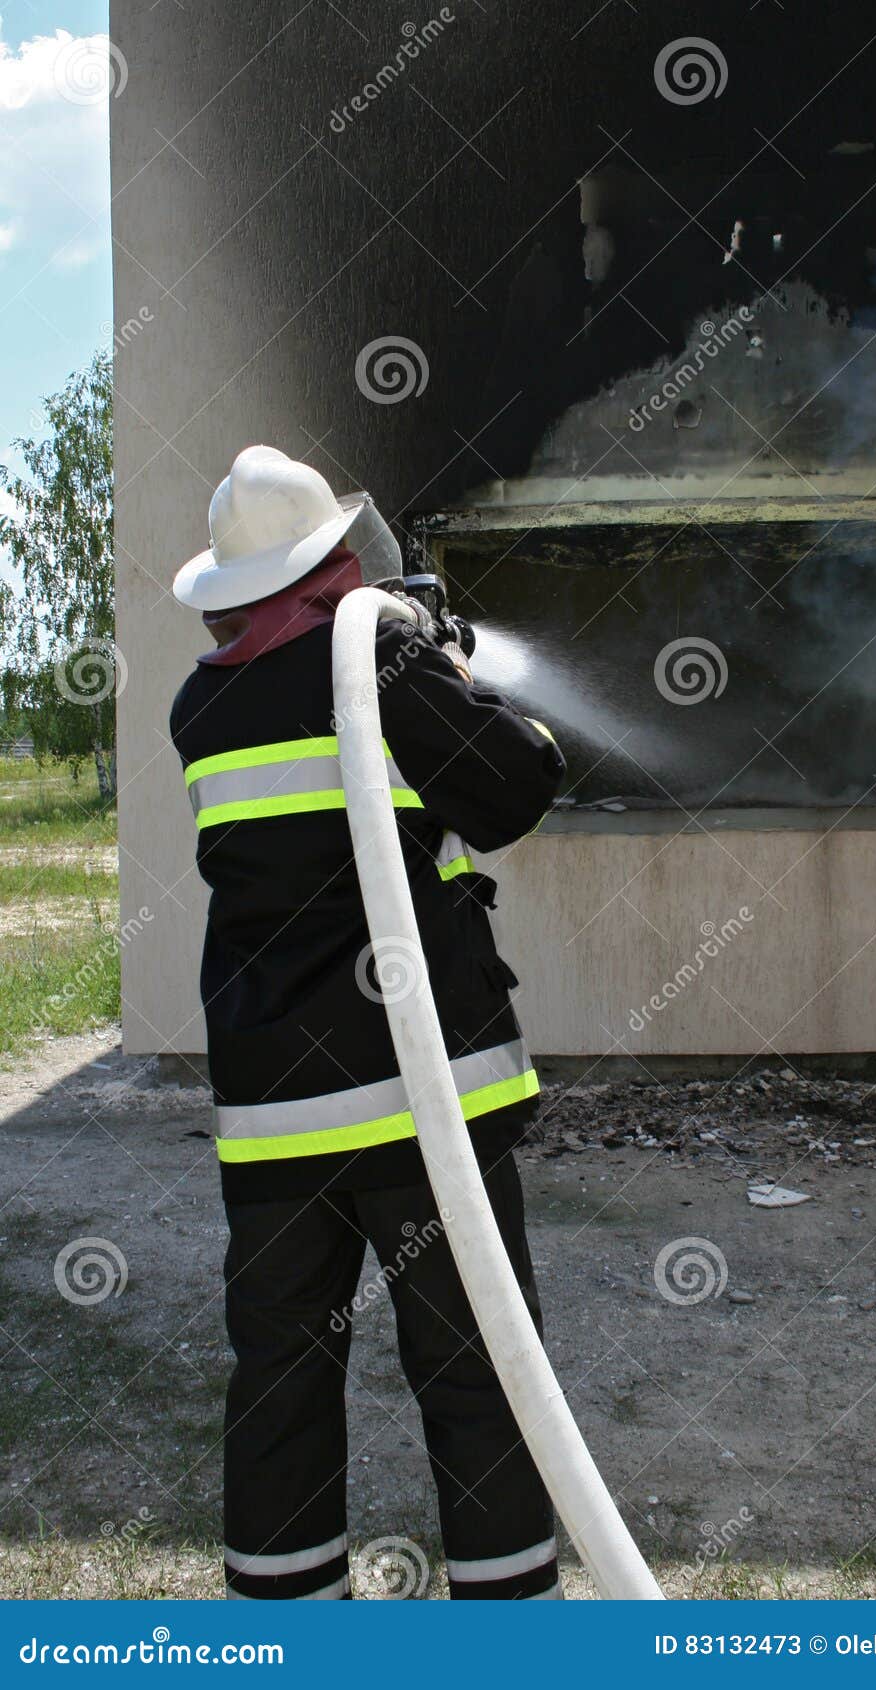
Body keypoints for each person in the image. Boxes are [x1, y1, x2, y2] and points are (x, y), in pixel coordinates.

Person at [170, 445, 566, 1600]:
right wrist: (442, 662)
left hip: (277, 1114)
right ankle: (512, 1634)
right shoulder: (381, 659)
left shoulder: (201, 703)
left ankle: (288, 1629)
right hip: (416, 1100)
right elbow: (515, 785)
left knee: (281, 1377)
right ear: (330, 569)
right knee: (476, 1369)